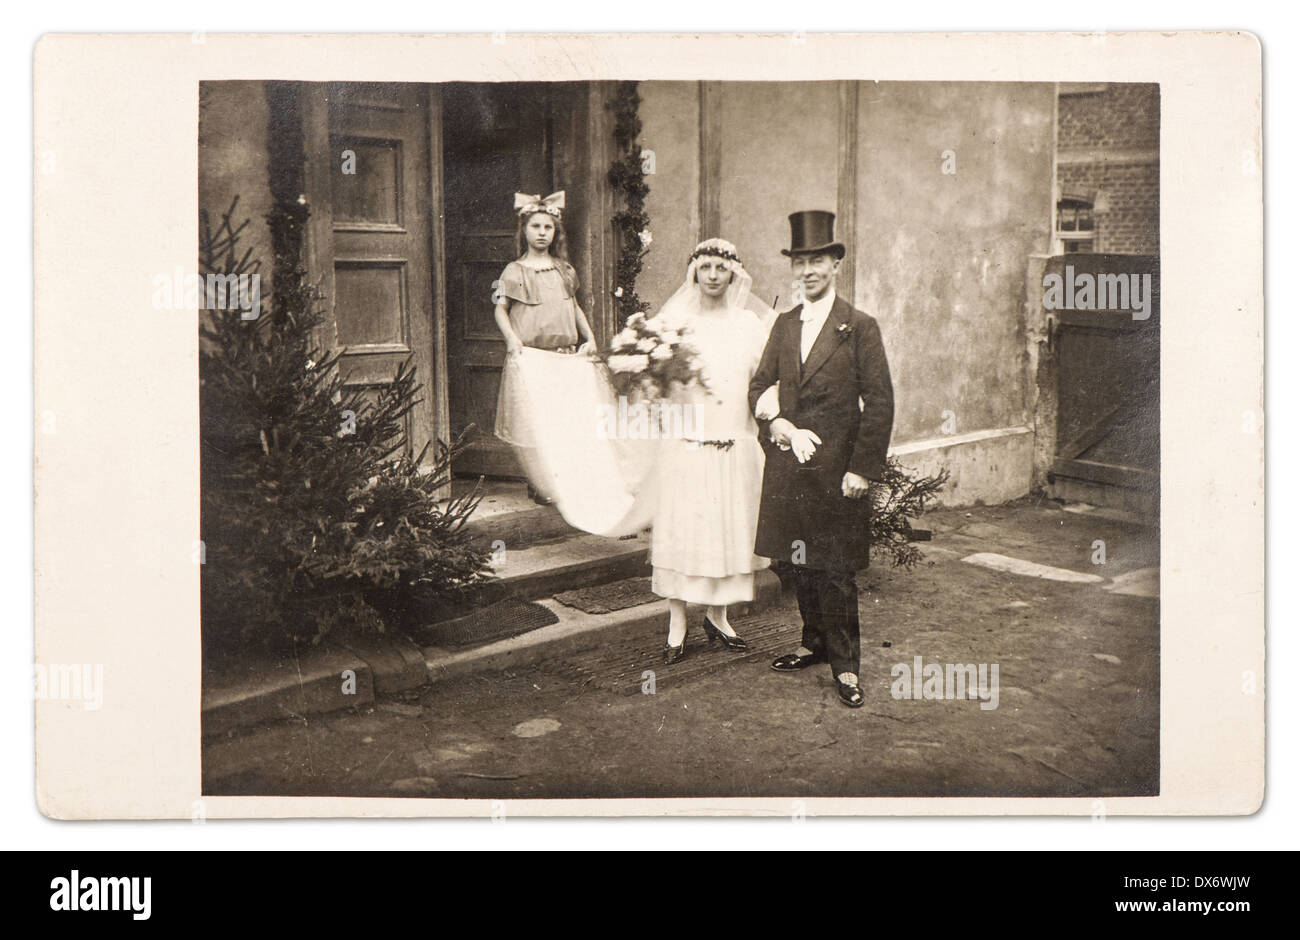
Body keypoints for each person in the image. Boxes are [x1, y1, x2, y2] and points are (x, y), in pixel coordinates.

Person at [748, 210, 894, 708]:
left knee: (835, 570)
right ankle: (812, 644)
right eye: (800, 262)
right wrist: (779, 424)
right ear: (793, 268)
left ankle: (847, 667)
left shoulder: (860, 328)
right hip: (790, 467)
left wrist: (861, 469)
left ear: (835, 264)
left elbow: (880, 402)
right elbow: (759, 385)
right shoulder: (787, 325)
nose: (808, 270)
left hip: (837, 472)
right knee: (798, 562)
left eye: (817, 261)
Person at [650, 239, 773, 665]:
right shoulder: (674, 325)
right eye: (706, 268)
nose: (714, 276)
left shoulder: (750, 326)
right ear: (695, 273)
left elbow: (763, 382)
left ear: (734, 274)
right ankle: (677, 622)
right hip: (689, 447)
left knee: (726, 531)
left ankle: (718, 617)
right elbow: (658, 386)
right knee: (686, 531)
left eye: (722, 268)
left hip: (735, 442)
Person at [492, 191, 598, 503]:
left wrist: (589, 338)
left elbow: (575, 307)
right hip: (533, 357)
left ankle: (564, 479)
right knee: (538, 421)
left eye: (547, 227)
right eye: (535, 226)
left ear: (555, 232)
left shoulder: (564, 269)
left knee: (564, 419)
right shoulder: (514, 270)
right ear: (524, 231)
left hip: (564, 356)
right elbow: (500, 308)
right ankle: (539, 481)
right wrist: (512, 339)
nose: (541, 233)